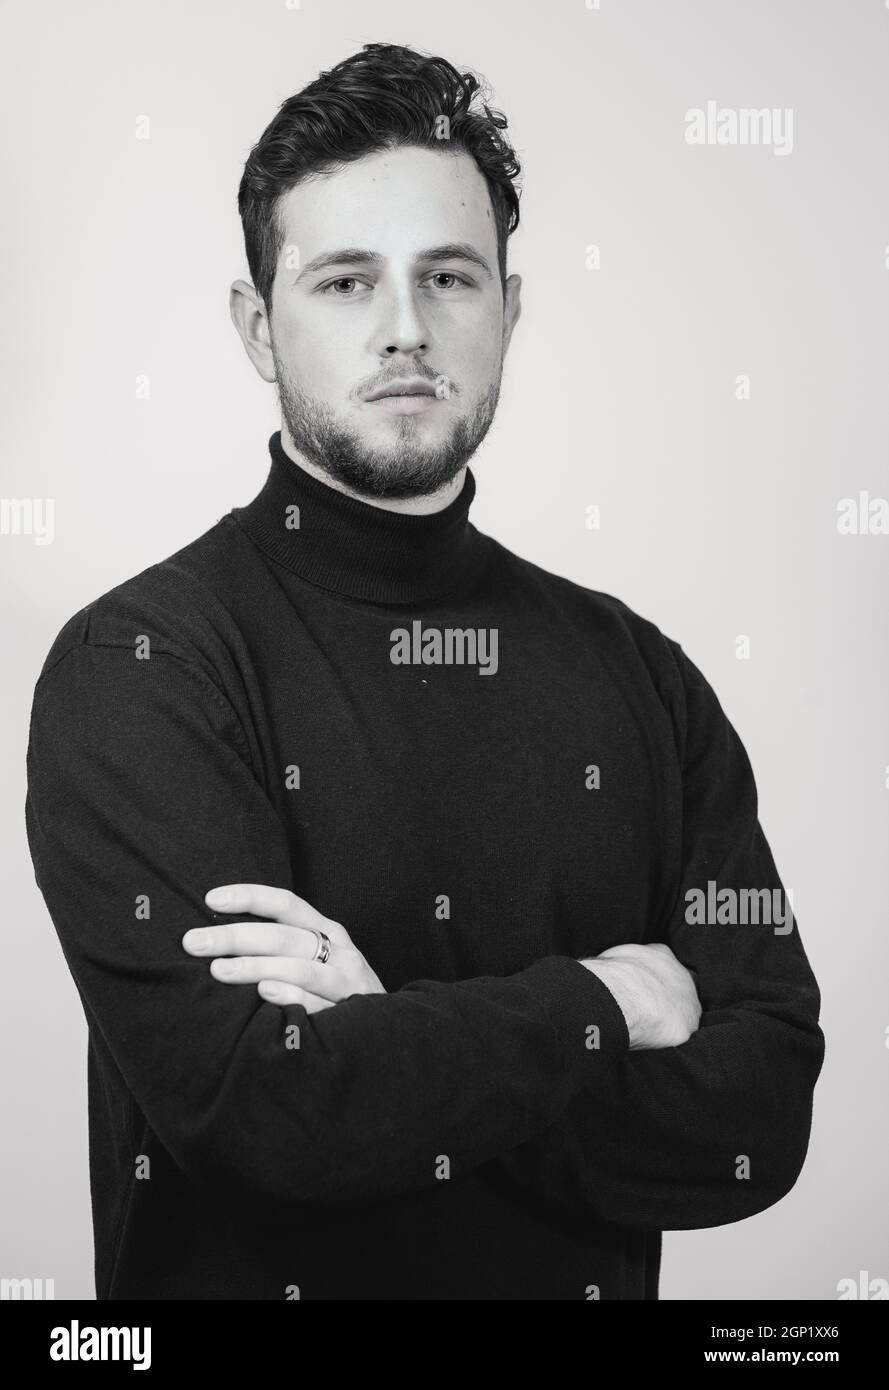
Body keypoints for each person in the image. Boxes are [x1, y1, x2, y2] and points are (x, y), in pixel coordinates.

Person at [25, 42, 823, 1301]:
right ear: (257, 327)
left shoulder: (645, 679)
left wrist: (384, 1035)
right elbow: (265, 1118)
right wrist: (602, 1007)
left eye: (448, 276)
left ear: (509, 307)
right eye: (345, 281)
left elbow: (758, 1114)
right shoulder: (142, 667)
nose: (405, 329)